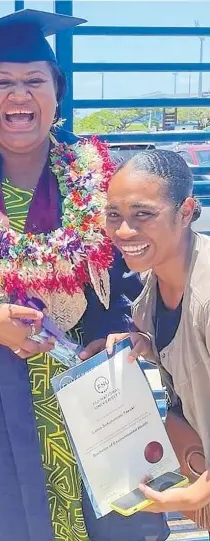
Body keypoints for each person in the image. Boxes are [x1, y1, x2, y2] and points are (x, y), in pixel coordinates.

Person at [0, 10, 169, 541]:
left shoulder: (99, 177)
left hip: (87, 379)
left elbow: (140, 275)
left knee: (105, 517)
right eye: (3, 82)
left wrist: (130, 335)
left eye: (35, 80)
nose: (20, 95)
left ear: (57, 95)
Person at [102, 150, 210, 525]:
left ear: (185, 212)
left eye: (143, 214)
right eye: (114, 215)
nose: (123, 231)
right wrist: (149, 347)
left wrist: (200, 492)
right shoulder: (150, 292)